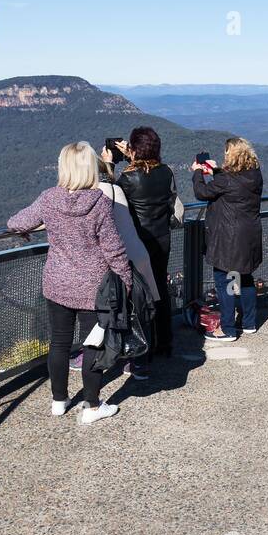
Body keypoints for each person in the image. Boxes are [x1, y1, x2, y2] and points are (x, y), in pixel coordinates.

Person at [8, 142, 132, 425]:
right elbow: (113, 248)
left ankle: (59, 400)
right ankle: (91, 406)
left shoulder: (49, 198)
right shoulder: (99, 202)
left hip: (57, 284)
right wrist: (124, 281)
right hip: (93, 287)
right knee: (93, 346)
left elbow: (16, 221)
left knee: (59, 343)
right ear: (90, 167)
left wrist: (24, 230)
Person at [115, 127, 178, 360]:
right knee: (160, 289)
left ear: (134, 148)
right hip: (162, 239)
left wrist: (114, 163)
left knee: (139, 294)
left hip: (138, 242)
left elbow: (111, 198)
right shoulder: (167, 172)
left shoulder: (128, 178)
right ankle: (165, 341)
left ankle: (143, 344)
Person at [192, 138, 263, 342]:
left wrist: (198, 171)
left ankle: (228, 329)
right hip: (250, 235)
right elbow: (234, 184)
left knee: (224, 282)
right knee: (246, 277)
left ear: (231, 155)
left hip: (228, 239)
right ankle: (249, 323)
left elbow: (201, 192)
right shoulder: (255, 174)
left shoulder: (227, 180)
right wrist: (216, 171)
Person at [97, 148, 160, 380]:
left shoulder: (93, 195)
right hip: (138, 252)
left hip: (119, 258)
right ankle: (140, 360)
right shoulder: (115, 189)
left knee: (116, 308)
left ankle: (111, 354)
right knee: (141, 308)